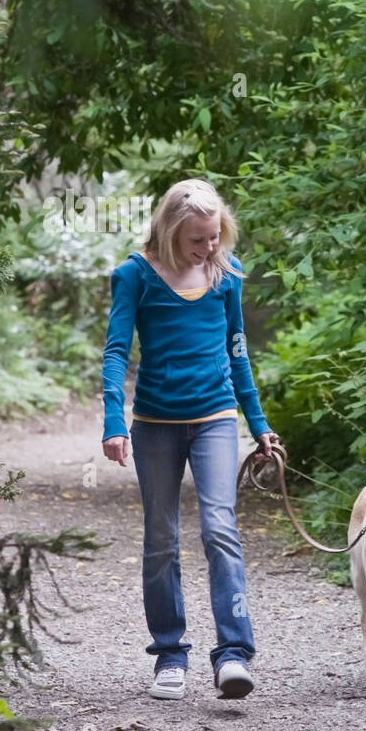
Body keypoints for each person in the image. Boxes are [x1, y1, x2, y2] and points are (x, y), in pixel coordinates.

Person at [100, 178, 279, 700]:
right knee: (161, 537)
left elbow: (239, 351)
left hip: (216, 416)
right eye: (198, 239)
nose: (209, 248)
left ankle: (233, 655)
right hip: (155, 422)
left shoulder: (227, 275)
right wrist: (113, 421)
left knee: (220, 527)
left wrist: (259, 421)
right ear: (173, 229)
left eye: (215, 236)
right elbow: (115, 352)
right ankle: (170, 655)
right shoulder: (134, 275)